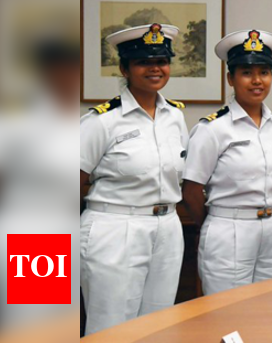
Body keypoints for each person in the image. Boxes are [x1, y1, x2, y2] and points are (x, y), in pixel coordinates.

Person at [79, 23, 187, 334]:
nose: (155, 68)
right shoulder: (101, 122)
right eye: (143, 62)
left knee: (158, 324)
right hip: (115, 228)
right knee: (111, 326)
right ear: (125, 68)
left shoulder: (174, 116)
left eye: (162, 61)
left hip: (167, 228)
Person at [182, 29, 272, 296]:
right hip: (229, 229)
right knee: (227, 314)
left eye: (264, 72)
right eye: (246, 73)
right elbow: (191, 190)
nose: (257, 80)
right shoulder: (213, 129)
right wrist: (217, 223)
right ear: (230, 78)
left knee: (270, 310)